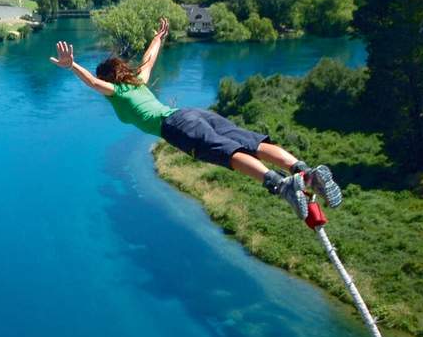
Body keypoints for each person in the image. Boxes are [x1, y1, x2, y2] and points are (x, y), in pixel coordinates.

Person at [50, 18, 343, 219]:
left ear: (109, 79)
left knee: (227, 153)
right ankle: (304, 171)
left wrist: (72, 65)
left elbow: (92, 83)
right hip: (192, 113)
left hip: (176, 126)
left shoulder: (115, 92)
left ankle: (280, 185)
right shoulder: (137, 80)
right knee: (251, 142)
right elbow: (150, 59)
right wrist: (158, 36)